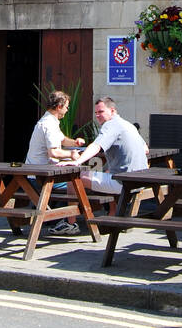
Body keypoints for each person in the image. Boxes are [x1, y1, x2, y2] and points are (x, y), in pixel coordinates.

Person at [51, 97, 148, 235]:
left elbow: (96, 146)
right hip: (139, 181)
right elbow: (146, 149)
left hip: (123, 183)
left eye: (101, 112)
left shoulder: (111, 125)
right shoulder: (128, 125)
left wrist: (78, 162)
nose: (97, 115)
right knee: (108, 171)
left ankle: (70, 223)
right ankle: (113, 212)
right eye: (96, 112)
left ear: (112, 111)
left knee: (73, 177)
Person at [25, 90, 86, 166]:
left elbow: (62, 140)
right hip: (39, 173)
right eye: (67, 107)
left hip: (40, 170)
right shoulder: (49, 124)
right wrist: (71, 154)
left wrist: (75, 143)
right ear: (59, 107)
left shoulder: (50, 121)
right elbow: (54, 152)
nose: (67, 110)